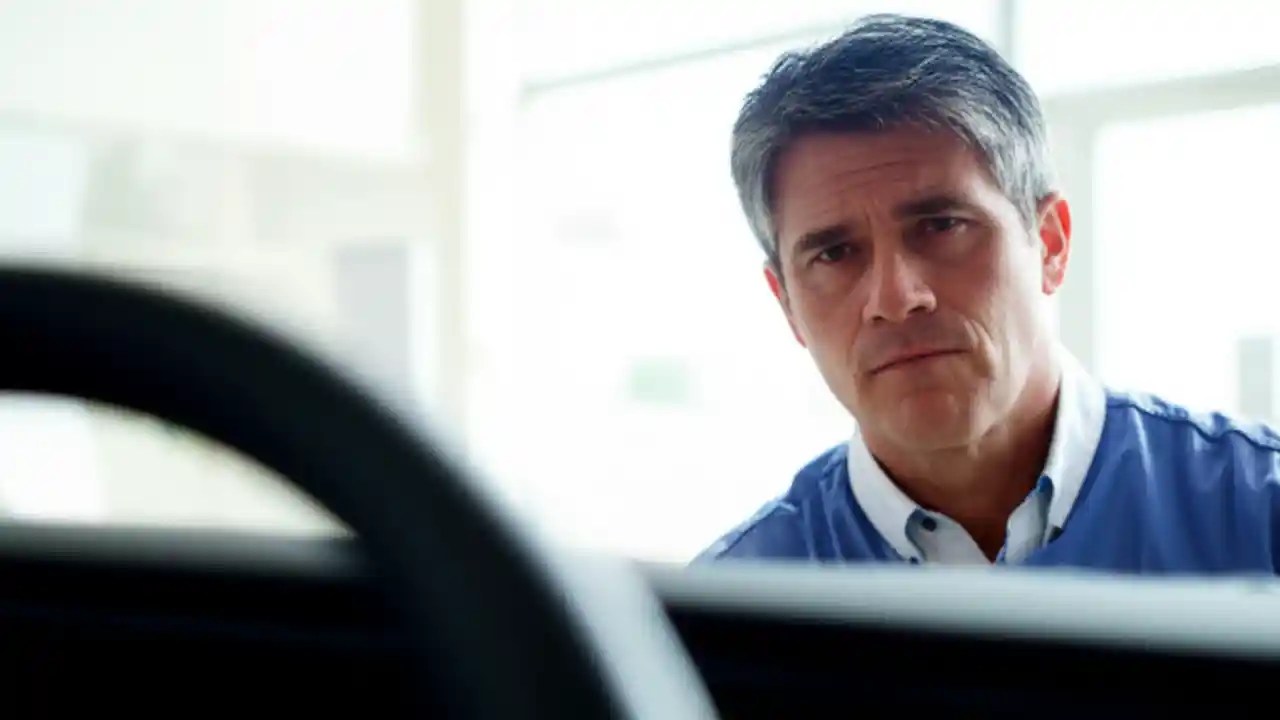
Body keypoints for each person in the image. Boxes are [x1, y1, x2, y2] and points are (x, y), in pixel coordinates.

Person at [697, 14, 1280, 572]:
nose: (896, 298)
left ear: (1049, 243)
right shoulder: (716, 615)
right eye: (833, 254)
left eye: (941, 226)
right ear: (788, 306)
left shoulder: (1259, 518)